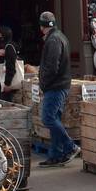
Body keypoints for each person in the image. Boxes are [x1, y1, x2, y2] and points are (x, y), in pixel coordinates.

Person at [37, 11, 79, 167]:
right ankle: (56, 155)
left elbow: (52, 66)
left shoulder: (53, 40)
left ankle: (70, 146)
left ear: (42, 26)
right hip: (60, 83)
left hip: (55, 85)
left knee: (48, 118)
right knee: (55, 118)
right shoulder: (60, 36)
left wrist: (44, 83)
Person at [0, 26, 20, 102]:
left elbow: (11, 66)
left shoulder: (9, 47)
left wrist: (7, 83)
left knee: (5, 102)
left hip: (5, 83)